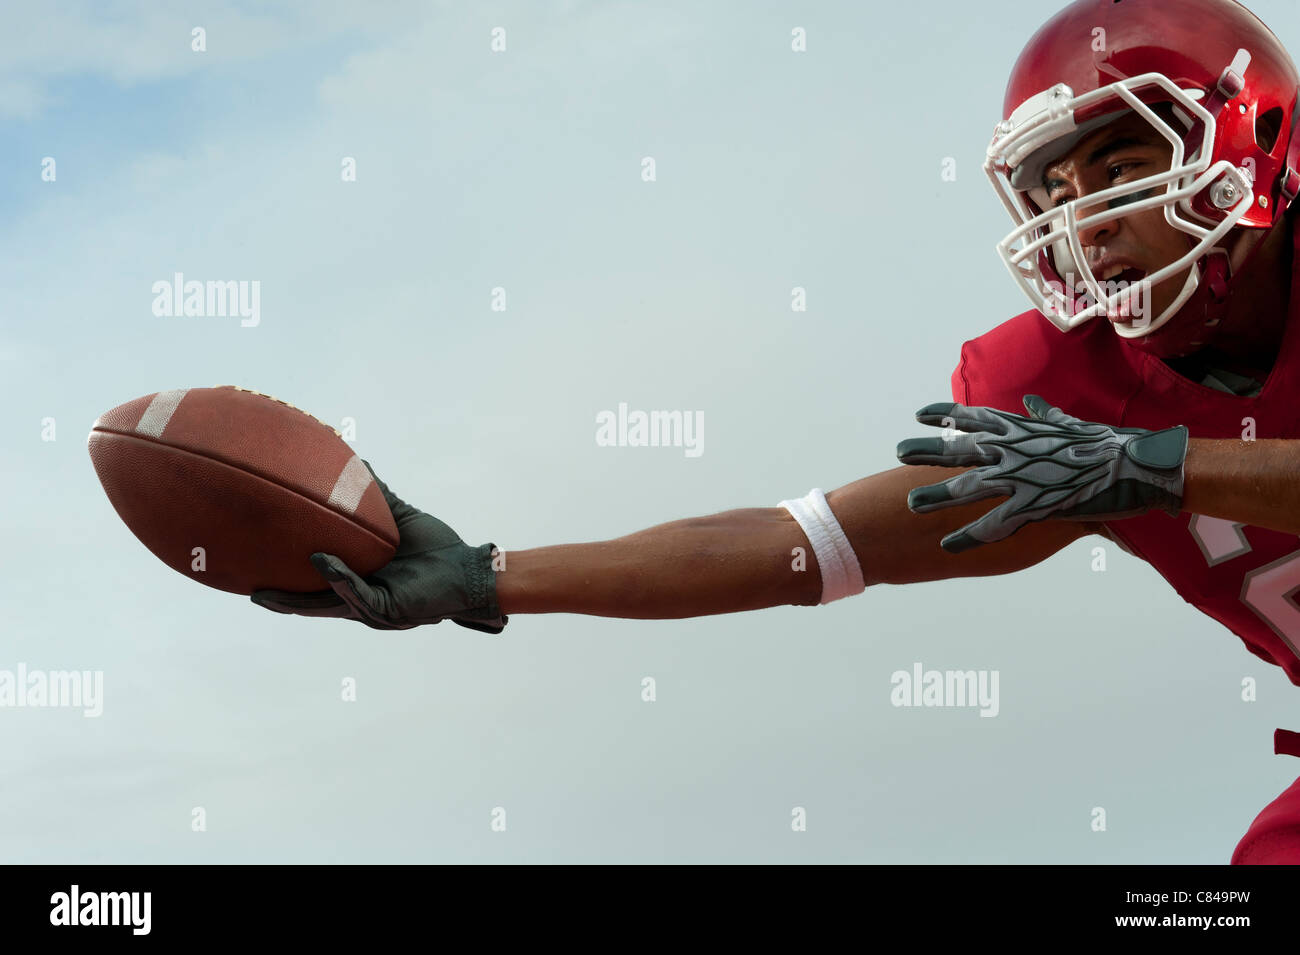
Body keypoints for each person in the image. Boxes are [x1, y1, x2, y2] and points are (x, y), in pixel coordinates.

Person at [253, 0, 1300, 864]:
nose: (1084, 224)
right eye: (1057, 194)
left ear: (1252, 136)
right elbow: (801, 548)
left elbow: (1152, 468)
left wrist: (1157, 468)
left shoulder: (1111, 446)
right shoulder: (1071, 395)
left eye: (1119, 172)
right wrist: (489, 576)